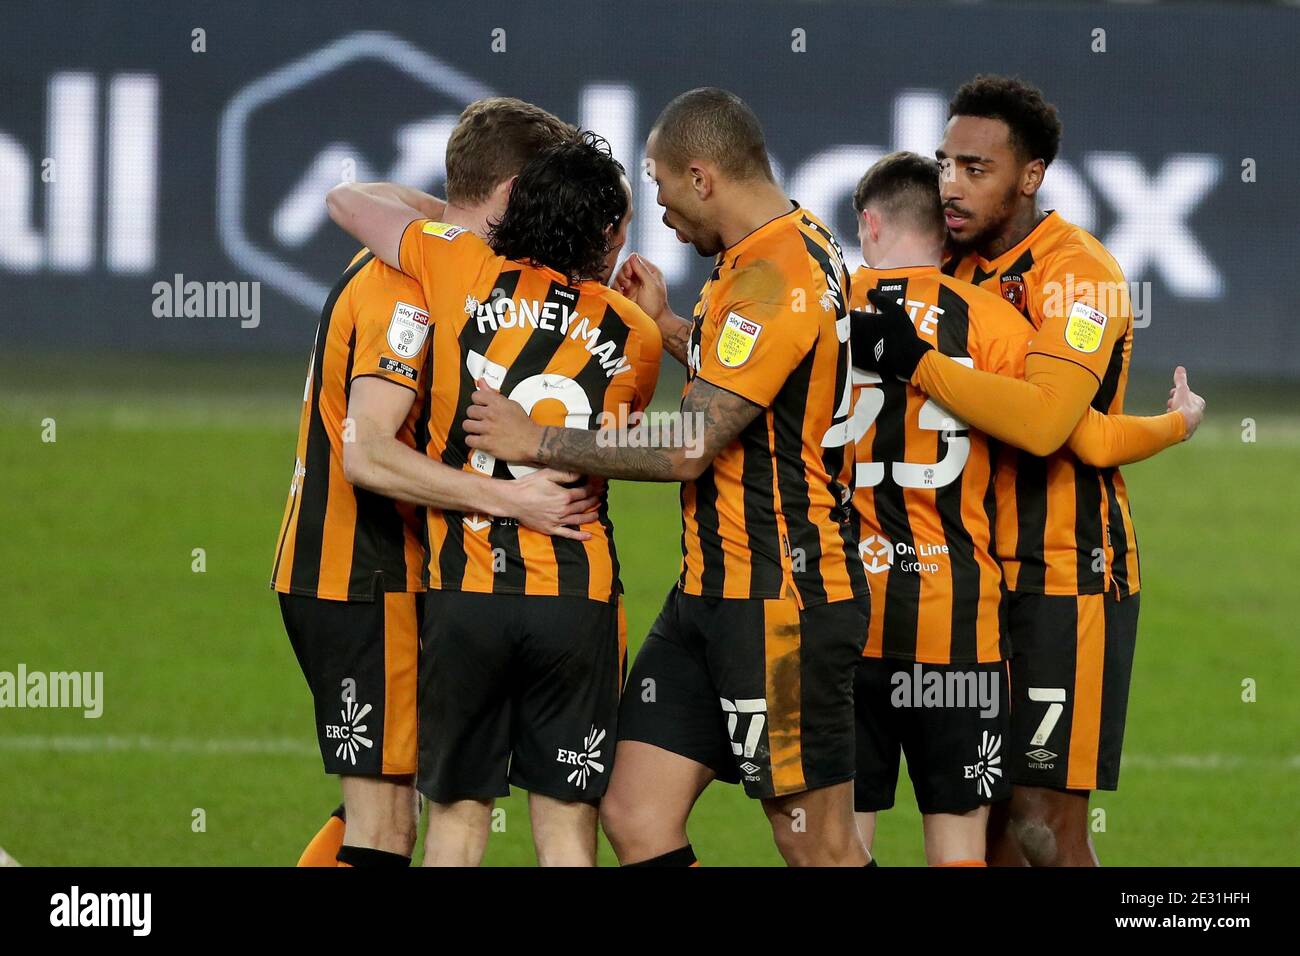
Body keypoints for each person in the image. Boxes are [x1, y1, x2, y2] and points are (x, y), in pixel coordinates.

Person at [461, 88, 872, 866]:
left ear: (702, 176)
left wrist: (540, 438)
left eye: (661, 189)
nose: (660, 213)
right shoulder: (790, 242)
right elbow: (757, 378)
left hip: (780, 597)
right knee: (633, 809)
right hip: (709, 595)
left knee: (818, 847)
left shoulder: (772, 278)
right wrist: (673, 326)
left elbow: (690, 443)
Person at [851, 76, 1205, 866]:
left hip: (1062, 571)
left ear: (1031, 176)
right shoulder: (952, 269)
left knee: (1044, 823)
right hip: (969, 575)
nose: (951, 185)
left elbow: (1048, 426)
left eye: (976, 169)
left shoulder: (1079, 273)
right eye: (945, 164)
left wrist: (917, 361)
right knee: (992, 816)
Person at [327, 131, 661, 865]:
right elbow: (632, 430)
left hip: (466, 589)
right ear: (605, 238)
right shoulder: (634, 334)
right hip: (577, 593)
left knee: (456, 820)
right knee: (568, 828)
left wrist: (453, 220)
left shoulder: (456, 264)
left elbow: (353, 207)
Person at [279, 97, 591, 868]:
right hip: (364, 572)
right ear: (514, 194)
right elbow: (370, 454)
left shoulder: (436, 260)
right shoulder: (407, 287)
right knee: (383, 825)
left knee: (394, 796)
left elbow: (383, 205)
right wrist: (512, 499)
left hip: (381, 570)